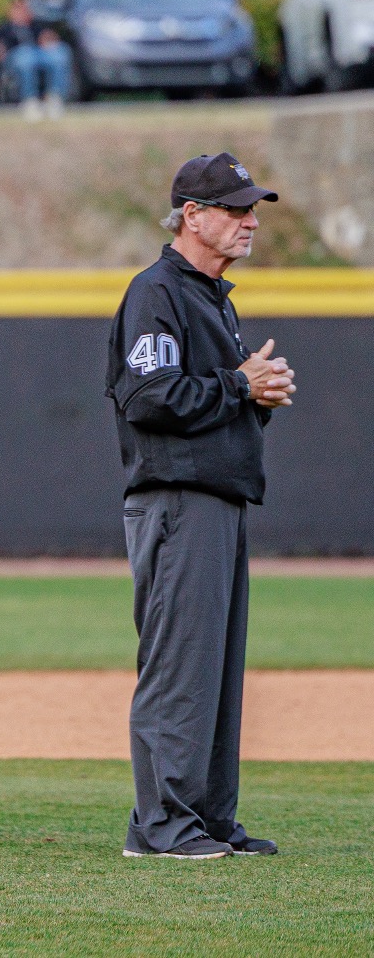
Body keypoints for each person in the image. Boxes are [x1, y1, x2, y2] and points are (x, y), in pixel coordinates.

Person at [106, 152, 294, 861]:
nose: (250, 221)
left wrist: (257, 391)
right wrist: (240, 386)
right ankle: (160, 826)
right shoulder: (157, 292)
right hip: (178, 501)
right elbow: (149, 397)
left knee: (214, 669)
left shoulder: (212, 295)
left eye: (253, 209)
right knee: (180, 667)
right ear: (192, 214)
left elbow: (210, 395)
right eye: (237, 208)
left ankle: (209, 819)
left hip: (219, 495)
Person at [0, 0, 71, 120]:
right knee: (26, 56)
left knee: (60, 52)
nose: (22, 11)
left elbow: (49, 39)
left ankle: (54, 98)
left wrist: (48, 40)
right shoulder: (2, 29)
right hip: (15, 58)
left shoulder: (37, 26)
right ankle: (30, 100)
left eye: (25, 7)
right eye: (18, 8)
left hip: (39, 55)